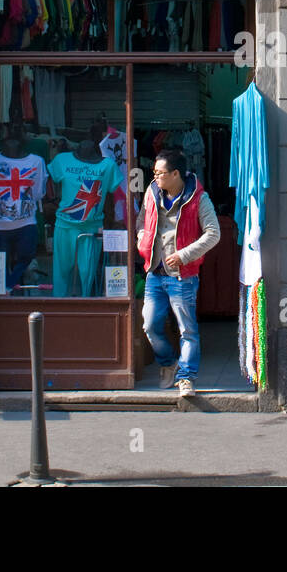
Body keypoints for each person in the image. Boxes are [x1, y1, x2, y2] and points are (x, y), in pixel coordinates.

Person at [136, 148, 220, 396]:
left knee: (187, 329)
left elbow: (213, 233)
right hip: (154, 272)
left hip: (183, 276)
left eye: (160, 173)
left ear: (175, 174)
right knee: (150, 325)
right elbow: (141, 220)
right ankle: (167, 364)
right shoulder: (151, 193)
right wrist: (142, 239)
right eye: (154, 172)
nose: (155, 177)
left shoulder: (199, 198)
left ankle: (186, 377)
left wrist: (184, 255)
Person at [48, 124, 121, 297]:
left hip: (91, 226)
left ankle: (87, 309)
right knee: (61, 271)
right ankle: (57, 309)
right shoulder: (62, 160)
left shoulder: (108, 165)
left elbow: (111, 190)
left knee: (87, 273)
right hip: (64, 225)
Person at [0, 123, 48, 293]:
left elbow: (38, 192)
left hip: (21, 223)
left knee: (24, 260)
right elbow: (37, 193)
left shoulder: (36, 162)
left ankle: (10, 288)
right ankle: (7, 290)